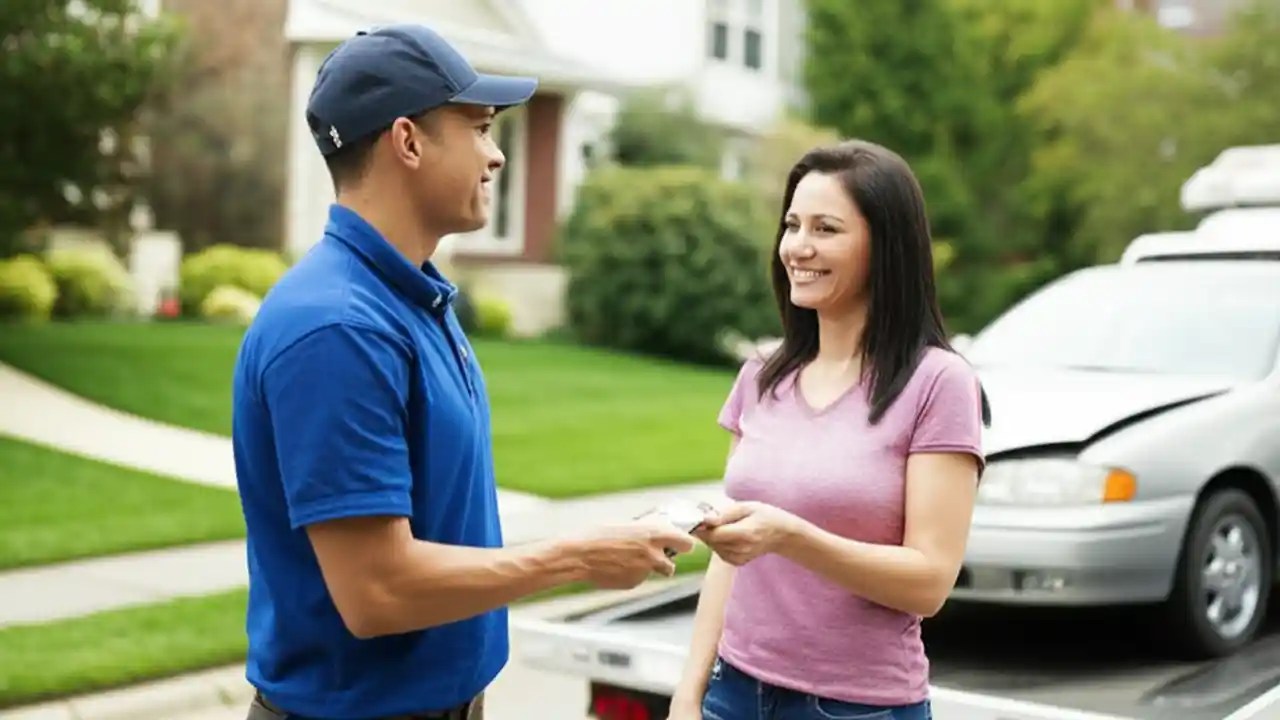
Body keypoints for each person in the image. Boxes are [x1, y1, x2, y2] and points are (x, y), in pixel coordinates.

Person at [230, 24, 696, 720]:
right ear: (408, 142)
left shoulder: (409, 296)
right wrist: (575, 558)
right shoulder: (337, 327)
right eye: (478, 127)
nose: (497, 154)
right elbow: (377, 592)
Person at [668, 140, 991, 720]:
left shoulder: (939, 384)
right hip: (733, 692)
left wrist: (790, 536)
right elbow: (731, 553)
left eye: (826, 228)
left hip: (853, 707)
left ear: (885, 247)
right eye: (792, 224)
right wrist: (689, 694)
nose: (799, 246)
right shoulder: (762, 373)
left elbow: (929, 582)